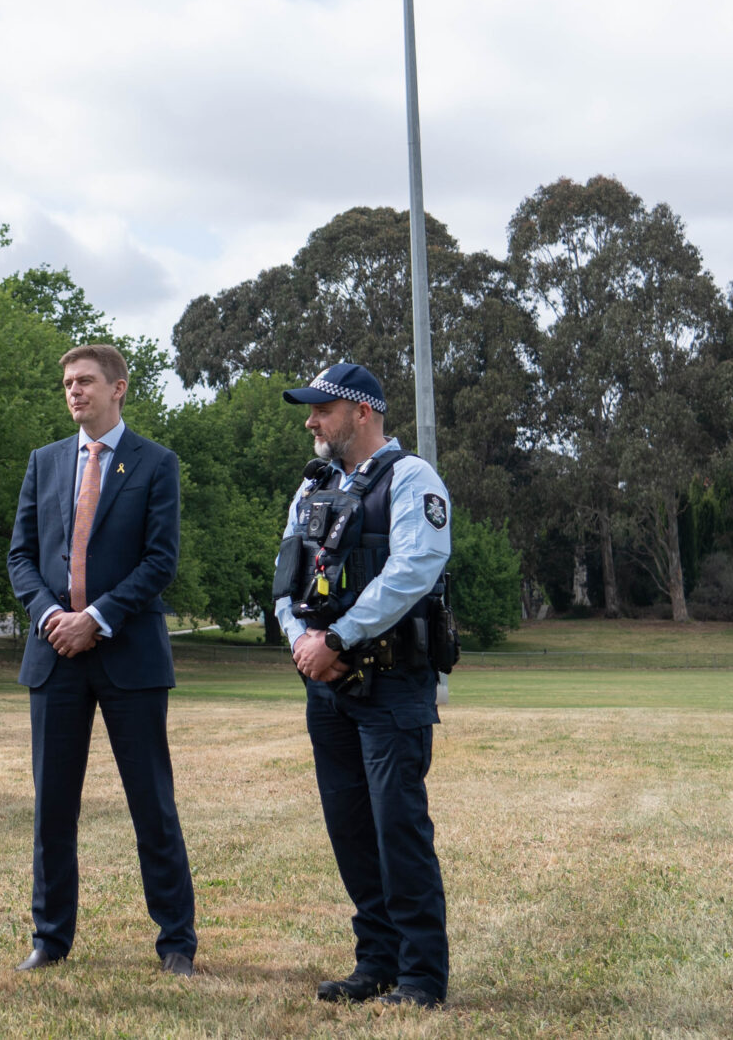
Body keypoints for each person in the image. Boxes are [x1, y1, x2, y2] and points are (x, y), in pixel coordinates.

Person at [5, 343, 199, 976]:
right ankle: (50, 938)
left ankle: (176, 942)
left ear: (119, 388)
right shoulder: (44, 462)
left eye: (85, 381)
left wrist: (98, 618)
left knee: (153, 803)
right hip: (54, 654)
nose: (73, 391)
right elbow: (21, 557)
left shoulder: (156, 463)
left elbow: (160, 560)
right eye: (67, 382)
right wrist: (51, 616)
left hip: (129, 657)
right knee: (52, 807)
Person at [275, 361, 454, 1010]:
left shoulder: (412, 481)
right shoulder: (313, 486)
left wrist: (340, 640)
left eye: (322, 408)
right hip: (324, 686)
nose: (311, 420)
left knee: (396, 826)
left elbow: (412, 570)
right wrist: (301, 639)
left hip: (391, 683)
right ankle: (375, 961)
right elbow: (285, 573)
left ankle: (421, 976)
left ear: (362, 411)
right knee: (350, 828)